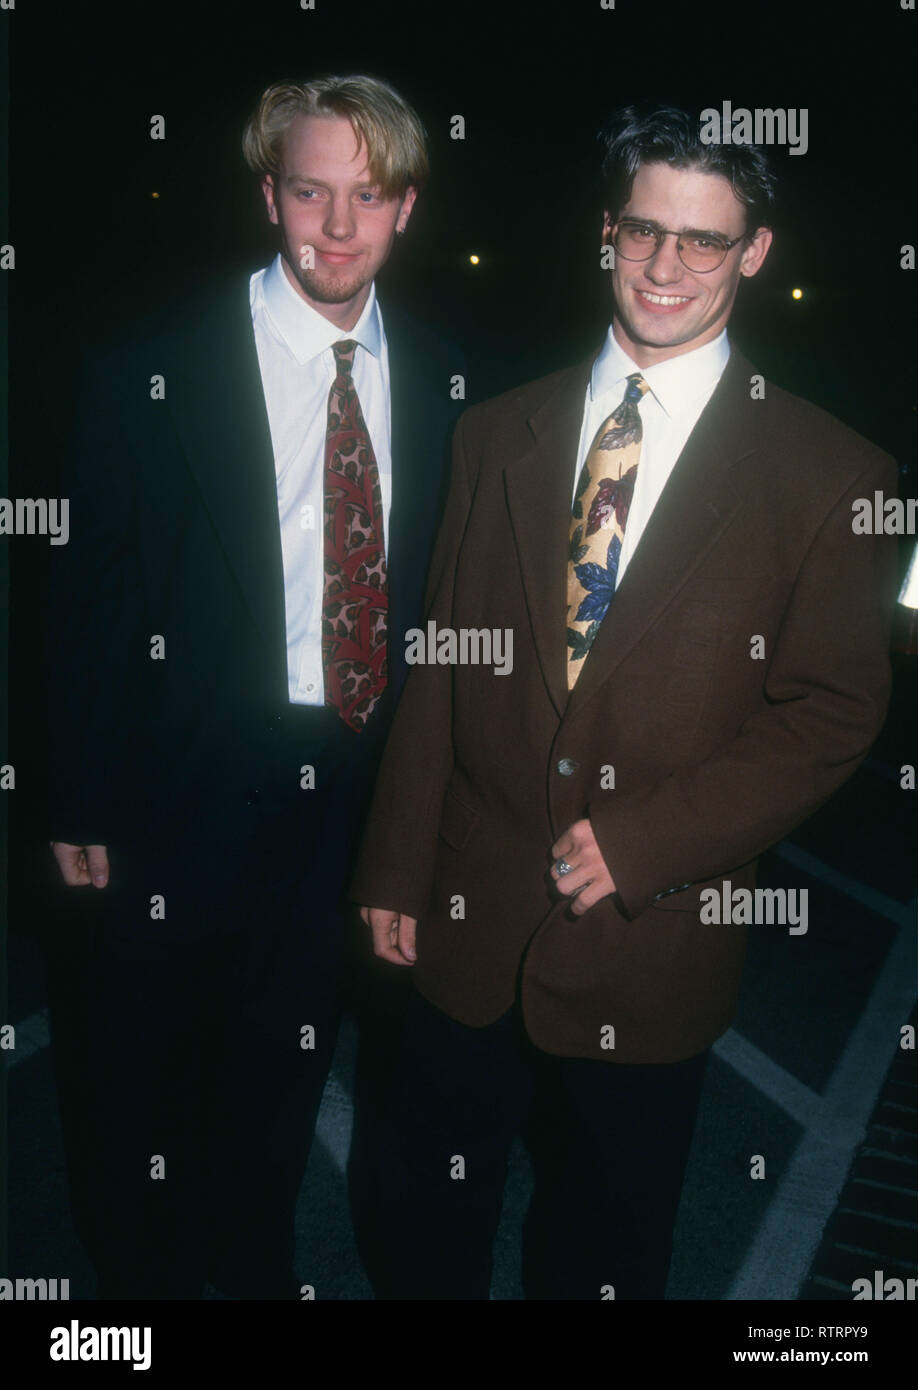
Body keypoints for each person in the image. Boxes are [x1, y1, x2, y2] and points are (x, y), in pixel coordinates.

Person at [353, 103, 898, 1300]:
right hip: (464, 911)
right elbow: (444, 662)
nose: (665, 266)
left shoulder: (831, 473)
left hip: (649, 945)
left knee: (604, 1248)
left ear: (754, 251)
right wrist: (394, 865)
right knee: (420, 1219)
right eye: (644, 230)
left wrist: (652, 839)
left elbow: (830, 712)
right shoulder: (497, 429)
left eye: (704, 240)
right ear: (607, 233)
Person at [47, 74, 462, 1299]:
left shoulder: (447, 378)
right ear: (267, 195)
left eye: (368, 198)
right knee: (141, 1076)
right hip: (186, 775)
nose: (338, 229)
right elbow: (88, 599)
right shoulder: (150, 370)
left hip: (354, 784)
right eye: (310, 192)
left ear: (409, 209)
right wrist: (76, 794)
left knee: (284, 1072)